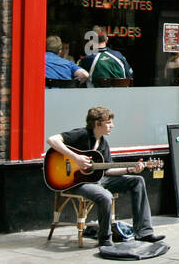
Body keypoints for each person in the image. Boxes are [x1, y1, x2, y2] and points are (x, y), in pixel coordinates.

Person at [47, 106, 164, 249]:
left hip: (99, 180)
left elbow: (107, 170)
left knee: (137, 181)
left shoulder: (103, 143)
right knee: (105, 196)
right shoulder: (81, 134)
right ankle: (105, 239)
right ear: (97, 124)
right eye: (108, 122)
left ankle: (144, 232)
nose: (112, 126)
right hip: (77, 182)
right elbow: (52, 139)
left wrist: (130, 169)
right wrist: (76, 158)